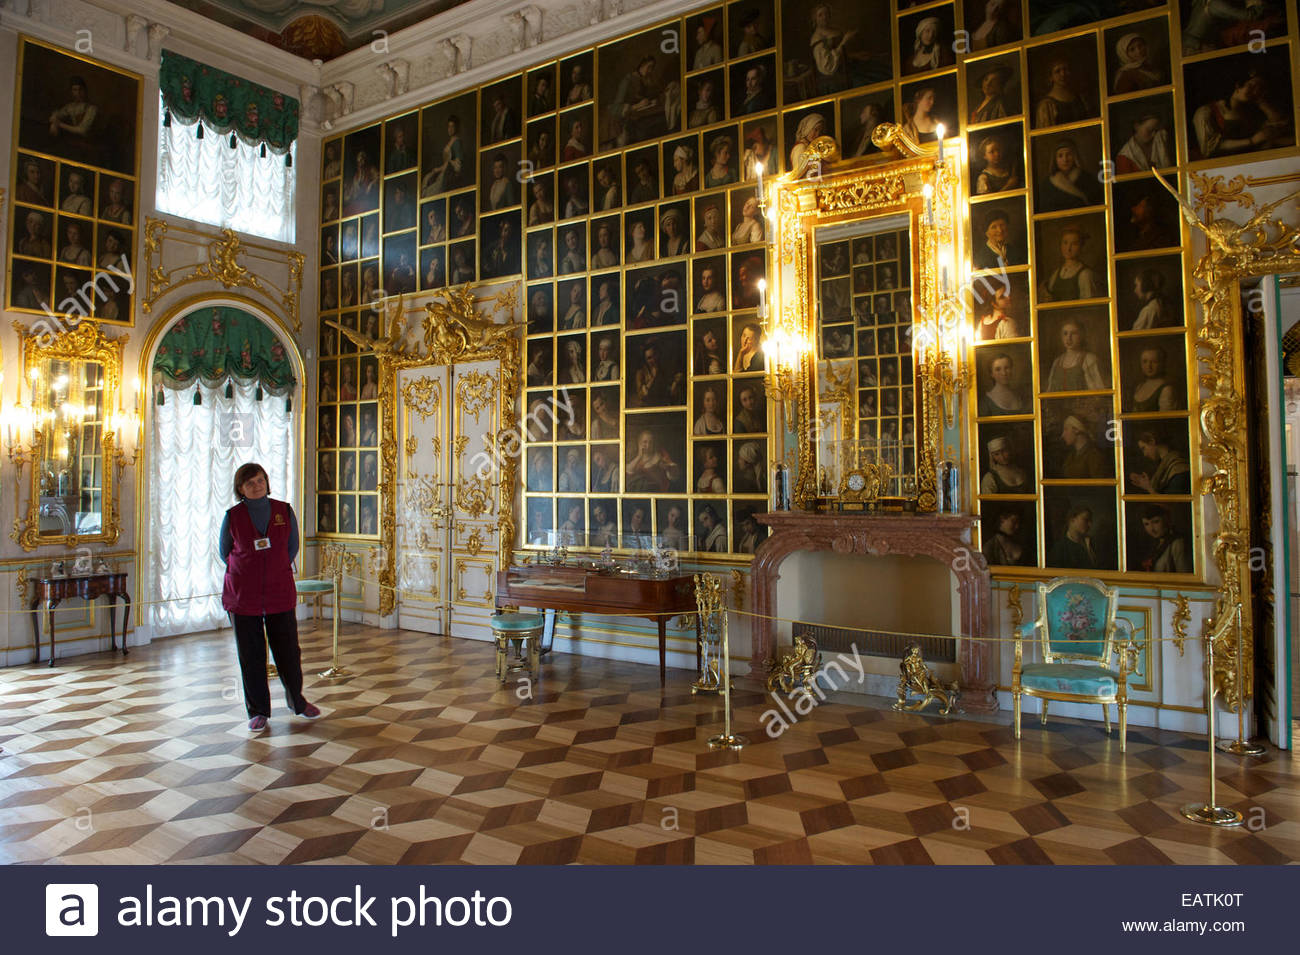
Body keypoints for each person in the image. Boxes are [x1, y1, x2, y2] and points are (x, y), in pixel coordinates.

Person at [219, 463, 319, 732]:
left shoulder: (283, 511)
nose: (256, 486)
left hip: (278, 591)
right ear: (241, 488)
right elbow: (224, 552)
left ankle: (297, 701)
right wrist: (249, 568)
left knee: (288, 651)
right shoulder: (233, 516)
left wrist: (274, 567)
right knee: (251, 655)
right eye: (250, 483)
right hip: (243, 594)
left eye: (260, 480)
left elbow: (292, 546)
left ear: (267, 482)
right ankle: (258, 711)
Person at [1192, 66, 1291, 158]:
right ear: (1238, 86)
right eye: (1252, 86)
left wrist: (1261, 102)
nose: (1256, 92)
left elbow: (1279, 126)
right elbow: (1209, 148)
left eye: (1260, 88)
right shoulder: (1206, 112)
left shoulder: (1253, 112)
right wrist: (1253, 140)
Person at [1037, 138, 1101, 211]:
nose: (1065, 159)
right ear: (1055, 159)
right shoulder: (1047, 185)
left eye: (1068, 154)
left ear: (1075, 157)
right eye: (1060, 156)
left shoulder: (1087, 179)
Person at [1039, 226, 1100, 301]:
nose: (1068, 248)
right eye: (1065, 243)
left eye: (1074, 244)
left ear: (1081, 247)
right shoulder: (1056, 273)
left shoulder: (1085, 274)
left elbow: (1089, 304)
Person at [1045, 320, 1106, 391]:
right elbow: (1050, 390)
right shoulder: (1057, 362)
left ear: (1081, 336)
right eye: (1065, 333)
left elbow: (1098, 391)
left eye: (1073, 333)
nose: (1069, 338)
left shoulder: (1089, 359)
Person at [809, 4, 857, 95]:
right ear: (815, 19)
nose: (824, 17)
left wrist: (854, 55)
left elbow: (842, 54)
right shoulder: (817, 39)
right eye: (820, 15)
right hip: (835, 78)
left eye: (826, 14)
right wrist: (844, 41)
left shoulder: (835, 30)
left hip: (846, 68)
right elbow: (827, 66)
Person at [1034, 58, 1091, 128]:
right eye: (1057, 71)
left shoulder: (1080, 99)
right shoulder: (1046, 105)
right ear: (1051, 77)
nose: (1063, 74)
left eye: (1065, 69)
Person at [1136, 504, 1192, 573]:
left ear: (1166, 520)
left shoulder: (1177, 544)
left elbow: (1185, 574)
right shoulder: (1154, 544)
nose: (1151, 529)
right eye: (1146, 524)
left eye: (1156, 522)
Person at [421, 116, 465, 195]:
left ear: (456, 128)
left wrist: (439, 169)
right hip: (445, 170)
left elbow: (457, 164)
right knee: (427, 178)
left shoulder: (457, 142)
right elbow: (446, 162)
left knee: (434, 187)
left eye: (452, 126)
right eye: (449, 126)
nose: (450, 129)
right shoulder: (450, 142)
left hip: (450, 173)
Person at [1129, 346, 1179, 412]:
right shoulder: (1139, 386)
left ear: (1162, 364)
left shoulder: (1166, 390)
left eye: (1154, 362)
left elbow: (1166, 417)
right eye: (1145, 361)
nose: (1149, 366)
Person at [1048, 503, 1098, 569]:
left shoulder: (1091, 544)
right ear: (1072, 520)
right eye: (1085, 520)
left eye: (1090, 521)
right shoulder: (1060, 548)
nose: (1090, 524)